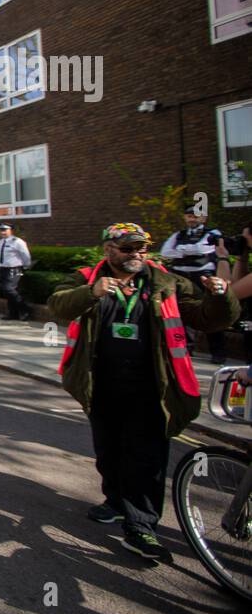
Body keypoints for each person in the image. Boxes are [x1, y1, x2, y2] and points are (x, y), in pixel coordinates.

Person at [49, 222, 238, 561]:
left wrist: (221, 296)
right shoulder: (86, 277)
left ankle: (141, 526)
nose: (136, 254)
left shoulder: (168, 281)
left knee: (147, 456)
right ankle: (116, 500)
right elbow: (58, 306)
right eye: (128, 248)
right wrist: (91, 293)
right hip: (102, 383)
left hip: (154, 384)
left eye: (141, 248)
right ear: (109, 249)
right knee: (108, 450)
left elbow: (207, 319)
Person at [160, 206, 228, 363]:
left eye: (195, 216)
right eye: (189, 216)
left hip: (203, 277)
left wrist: (181, 249)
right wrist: (188, 250)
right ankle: (186, 348)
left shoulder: (213, 233)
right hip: (180, 277)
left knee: (210, 312)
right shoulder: (179, 234)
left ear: (203, 218)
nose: (192, 219)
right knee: (181, 312)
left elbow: (203, 248)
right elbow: (165, 252)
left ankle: (218, 352)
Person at [0, 223, 34, 320]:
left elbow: (25, 255)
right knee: (7, 291)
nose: (2, 232)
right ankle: (12, 313)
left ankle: (25, 308)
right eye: (1, 230)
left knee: (9, 289)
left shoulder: (17, 241)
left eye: (5, 230)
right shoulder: (0, 242)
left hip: (14, 268)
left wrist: (26, 265)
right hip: (3, 269)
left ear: (11, 230)